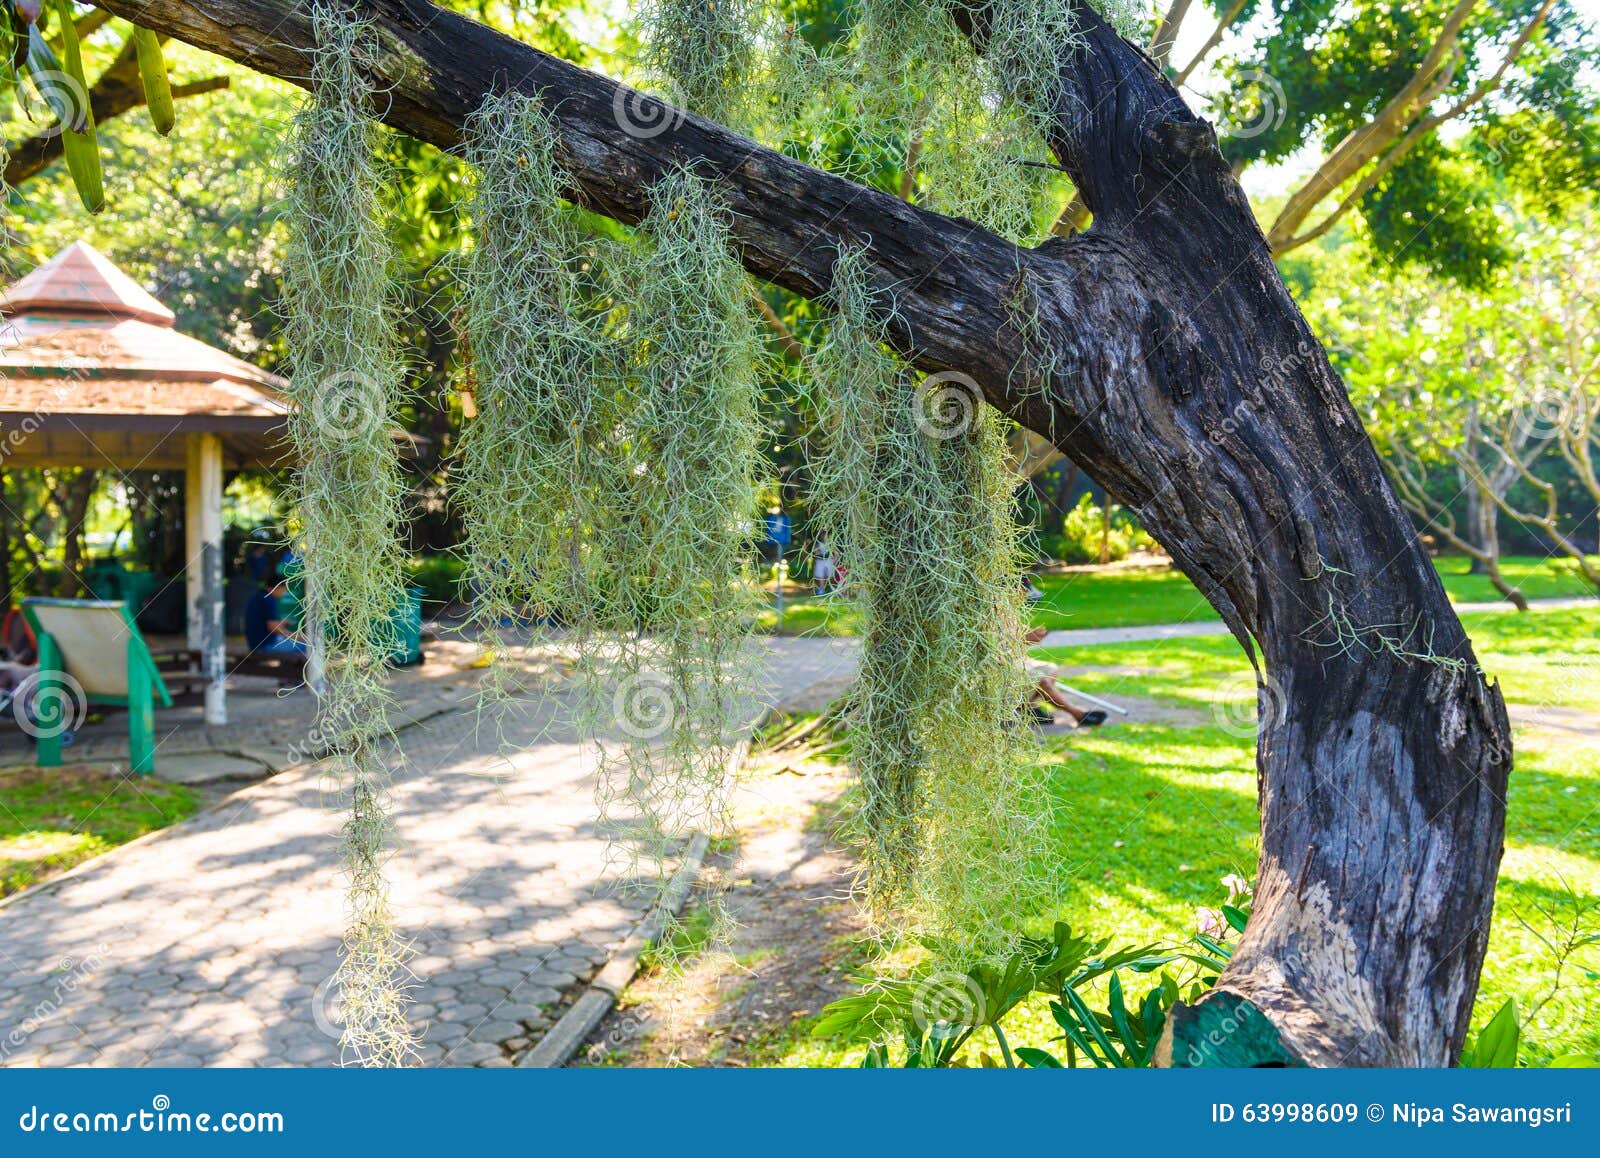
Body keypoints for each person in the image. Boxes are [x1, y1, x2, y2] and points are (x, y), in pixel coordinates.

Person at [1024, 624, 1105, 727]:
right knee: (1042, 681)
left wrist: (1029, 637)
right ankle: (1077, 714)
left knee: (1050, 669)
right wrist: (1023, 638)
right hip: (1005, 665)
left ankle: (1030, 708)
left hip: (1021, 661)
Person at [244, 577, 307, 656]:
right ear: (278, 587)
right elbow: (272, 627)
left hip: (254, 644)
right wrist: (295, 637)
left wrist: (280, 623)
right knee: (307, 646)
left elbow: (262, 623)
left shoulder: (258, 596)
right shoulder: (269, 600)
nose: (284, 593)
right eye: (284, 590)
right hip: (265, 646)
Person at [812, 531, 837, 595]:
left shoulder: (830, 543)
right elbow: (815, 552)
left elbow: (835, 552)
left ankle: (832, 588)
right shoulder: (817, 543)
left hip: (829, 560)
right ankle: (821, 589)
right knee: (821, 576)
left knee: (831, 576)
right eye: (823, 535)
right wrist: (817, 551)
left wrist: (835, 559)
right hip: (820, 561)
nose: (824, 536)